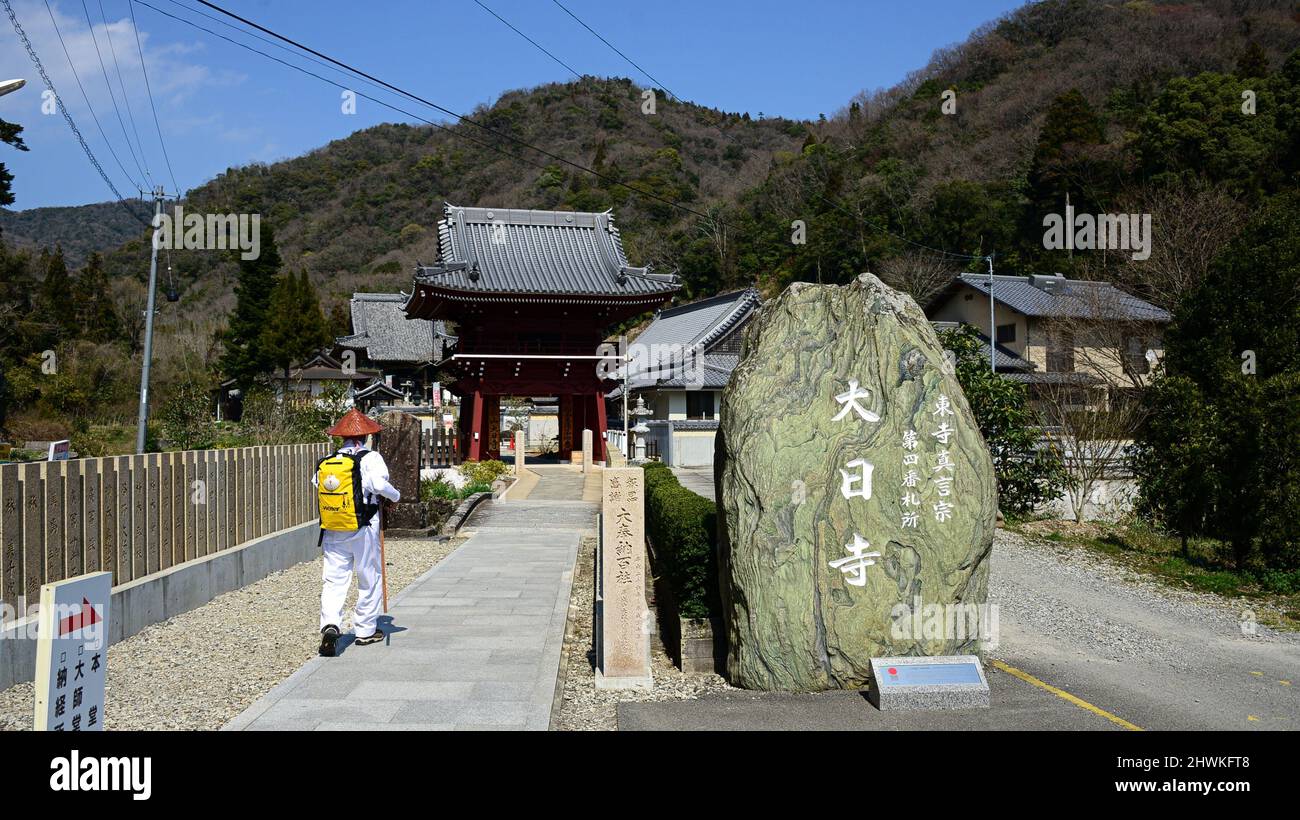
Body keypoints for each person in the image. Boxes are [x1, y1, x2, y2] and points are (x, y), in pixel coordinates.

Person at [315, 409, 400, 657]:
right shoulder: (370, 457)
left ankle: (330, 624)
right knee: (368, 575)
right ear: (366, 435)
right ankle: (364, 630)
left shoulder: (330, 461)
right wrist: (395, 497)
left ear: (340, 437)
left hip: (333, 527)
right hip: (364, 525)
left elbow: (317, 484)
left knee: (334, 578)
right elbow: (378, 485)